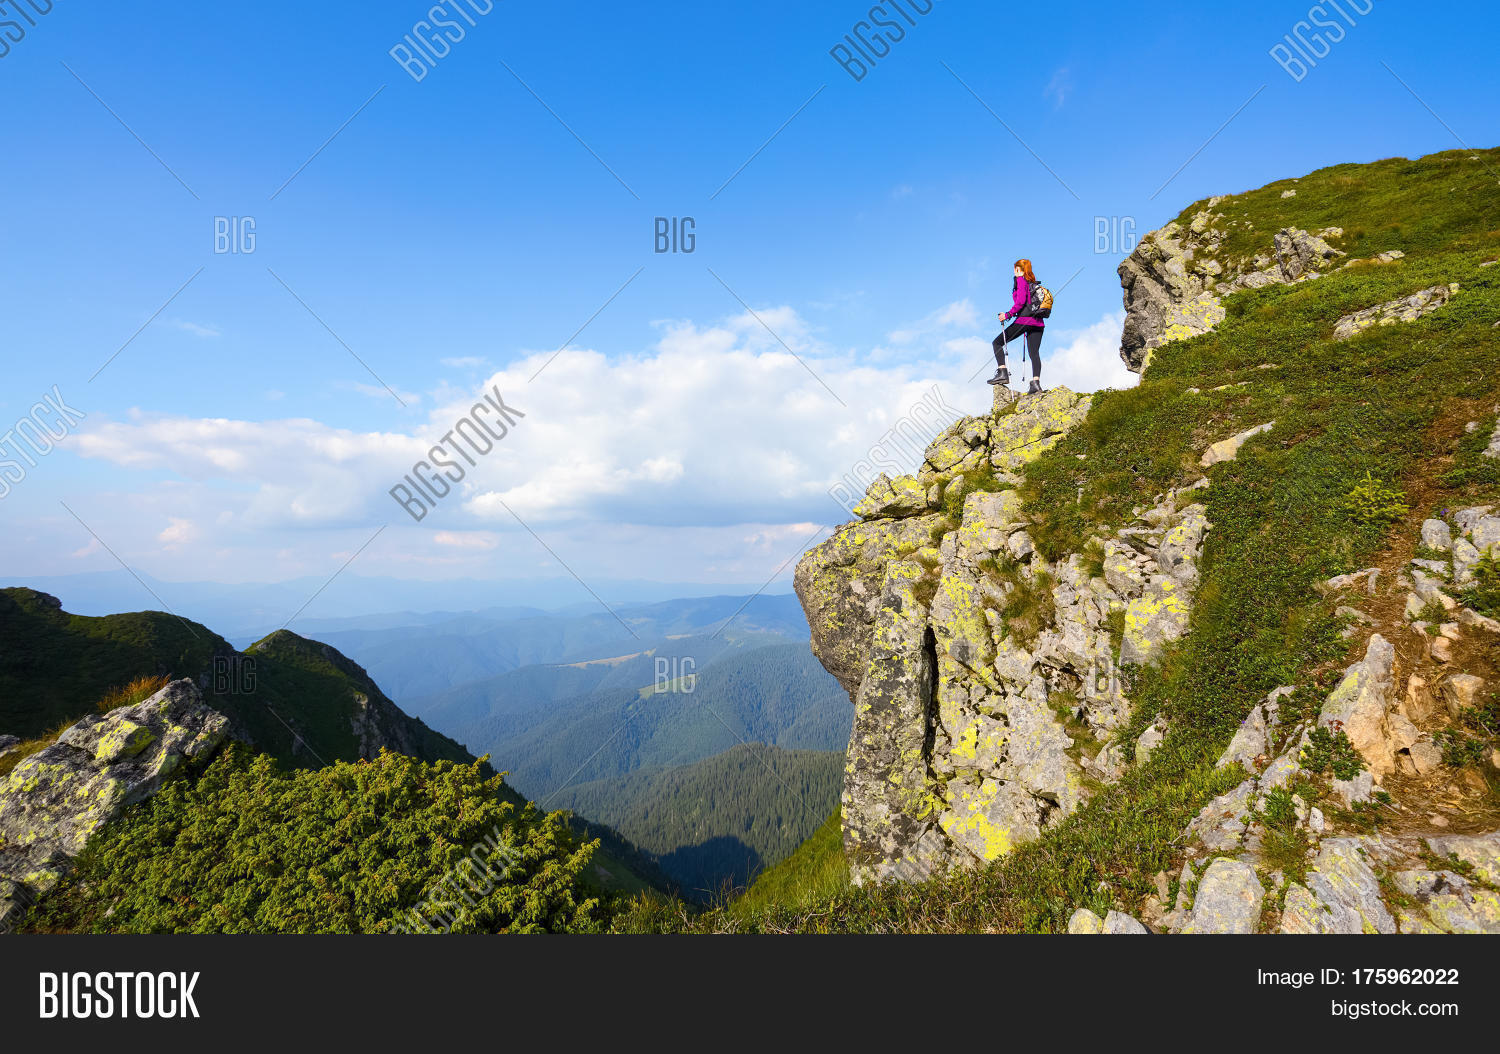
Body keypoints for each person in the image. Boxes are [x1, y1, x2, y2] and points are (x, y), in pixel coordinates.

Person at [988, 259, 1045, 393]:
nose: (1014, 271)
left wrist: (1007, 315)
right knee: (1034, 353)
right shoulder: (1034, 284)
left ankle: (1002, 373)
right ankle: (1036, 384)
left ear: (1019, 269)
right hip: (1039, 323)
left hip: (1024, 321)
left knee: (997, 343)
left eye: (1015, 269)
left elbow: (1020, 302)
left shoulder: (1021, 281)